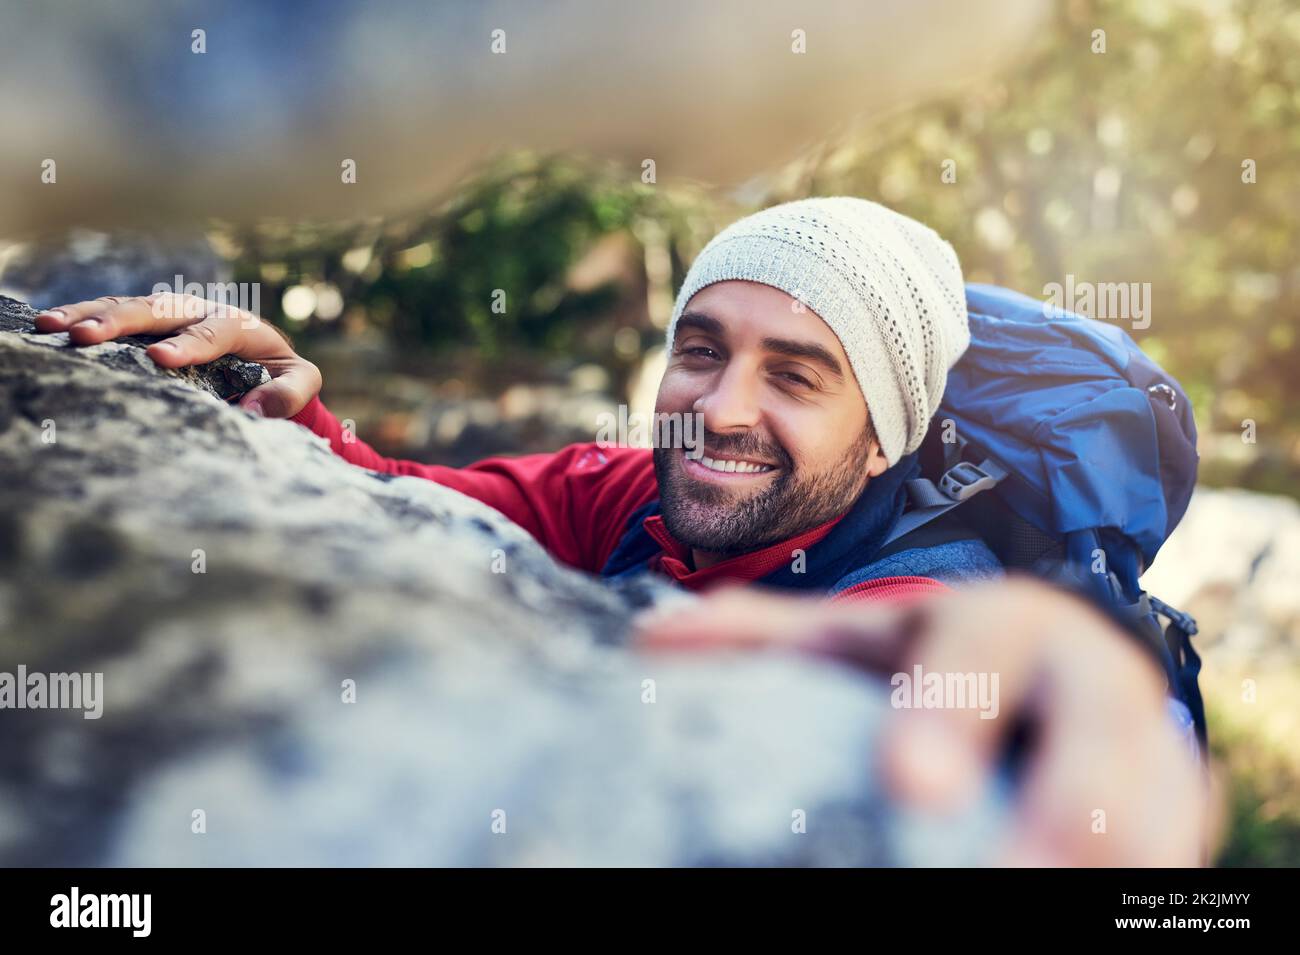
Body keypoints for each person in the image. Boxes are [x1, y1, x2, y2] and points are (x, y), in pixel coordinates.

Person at [32, 197, 1214, 864]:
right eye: (702, 351)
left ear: (885, 443)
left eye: (796, 376)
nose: (719, 409)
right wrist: (287, 402)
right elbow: (404, 495)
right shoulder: (629, 494)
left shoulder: (918, 614)